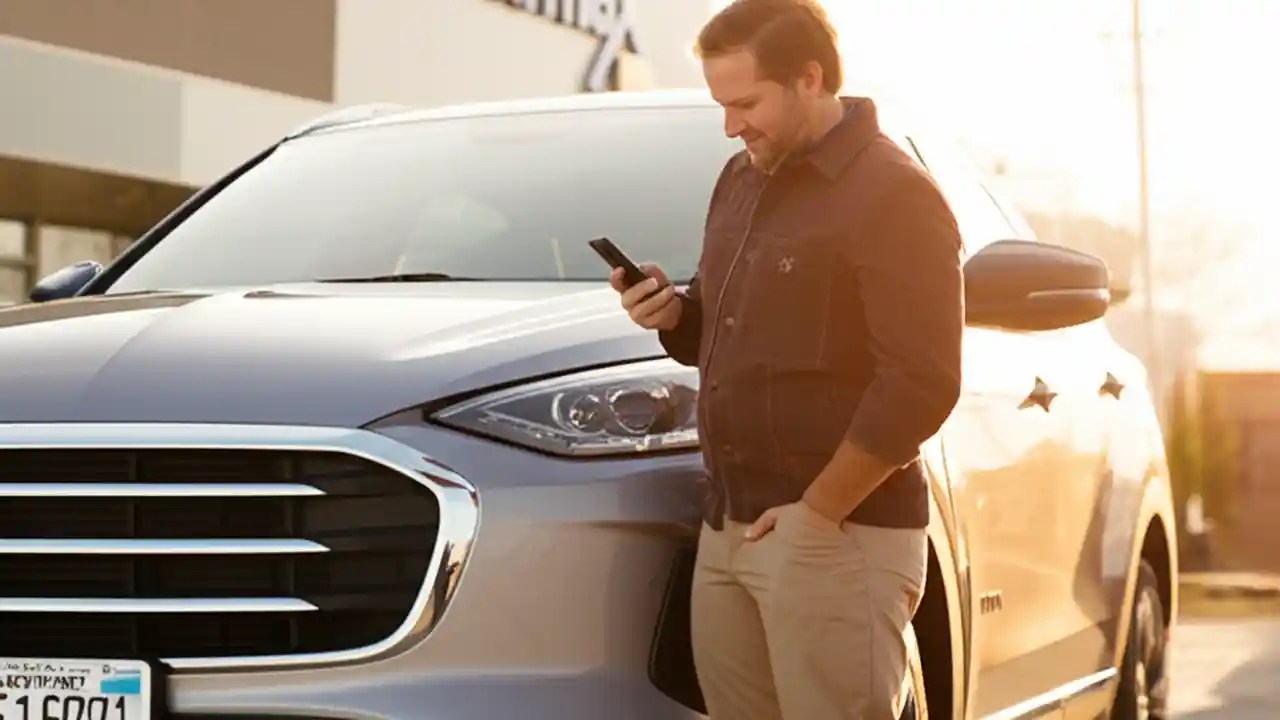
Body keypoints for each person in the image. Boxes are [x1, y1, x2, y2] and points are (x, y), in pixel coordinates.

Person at [610, 1, 964, 718]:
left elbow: (923, 382)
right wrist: (675, 314)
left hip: (837, 535)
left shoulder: (894, 194)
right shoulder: (740, 180)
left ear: (810, 79)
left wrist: (816, 514)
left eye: (745, 103)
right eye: (721, 105)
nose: (731, 125)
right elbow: (727, 327)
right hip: (730, 527)